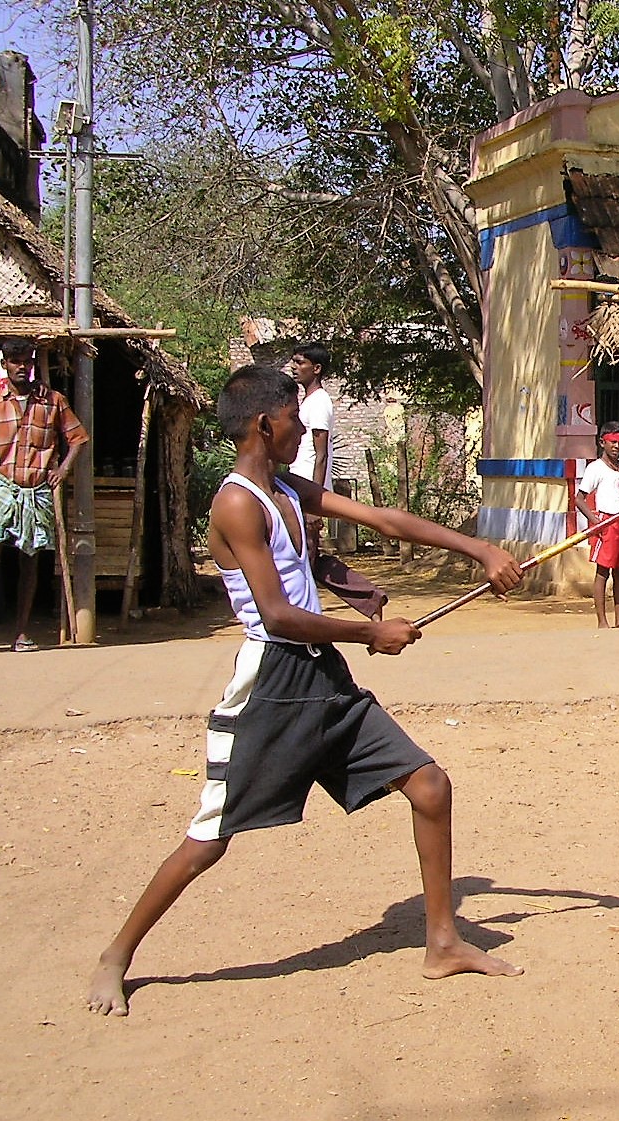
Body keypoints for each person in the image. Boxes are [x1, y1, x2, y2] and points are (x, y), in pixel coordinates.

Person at [86, 364, 526, 1017]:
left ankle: (442, 941)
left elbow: (384, 519)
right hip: (273, 684)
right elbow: (276, 615)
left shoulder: (286, 486)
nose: (303, 427)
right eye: (296, 417)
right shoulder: (237, 501)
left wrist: (478, 550)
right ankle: (116, 957)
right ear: (266, 422)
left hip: (323, 675)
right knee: (210, 838)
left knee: (430, 786)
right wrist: (368, 631)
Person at [0, 338, 88, 654]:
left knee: (30, 559)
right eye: (16, 362)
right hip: (1, 486)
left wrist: (61, 471)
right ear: (4, 365)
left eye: (27, 361)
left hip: (36, 488)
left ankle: (21, 634)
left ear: (34, 363)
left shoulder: (53, 402)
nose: (22, 367)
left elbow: (78, 439)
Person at [285, 343, 388, 619]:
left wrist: (313, 502)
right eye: (293, 362)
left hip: (308, 490)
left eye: (300, 362)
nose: (294, 367)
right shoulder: (306, 401)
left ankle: (360, 601)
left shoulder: (319, 404)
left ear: (316, 369)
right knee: (307, 557)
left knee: (305, 557)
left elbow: (321, 455)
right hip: (299, 487)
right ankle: (369, 599)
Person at [576, 422, 619, 628]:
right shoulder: (595, 468)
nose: (616, 447)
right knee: (603, 571)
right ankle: (602, 620)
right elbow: (579, 499)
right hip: (606, 523)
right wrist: (595, 521)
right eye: (612, 442)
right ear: (602, 443)